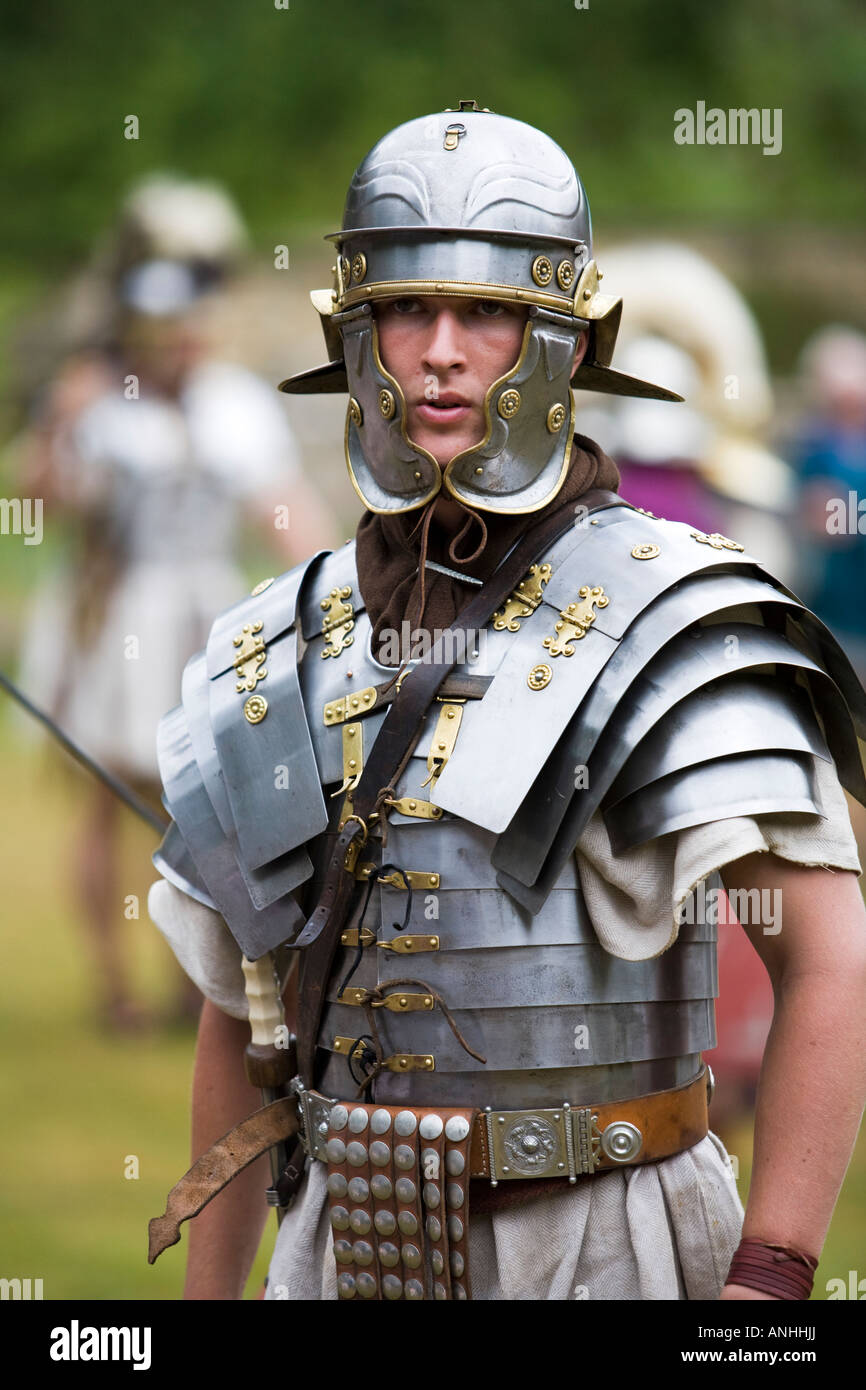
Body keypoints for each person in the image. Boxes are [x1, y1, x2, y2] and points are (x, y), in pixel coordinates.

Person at [146, 105, 866, 1301]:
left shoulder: (672, 618)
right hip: (337, 1246)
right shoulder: (269, 644)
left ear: (565, 342)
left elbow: (830, 961)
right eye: (405, 309)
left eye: (485, 312)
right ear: (354, 336)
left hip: (602, 1244)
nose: (439, 351)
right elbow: (240, 1019)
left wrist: (770, 1281)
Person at [18, 174, 339, 1030]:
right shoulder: (99, 402)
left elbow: (280, 509)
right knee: (103, 797)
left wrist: (335, 580)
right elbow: (41, 505)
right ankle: (114, 985)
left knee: (202, 806)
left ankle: (190, 985)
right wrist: (56, 425)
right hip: (117, 615)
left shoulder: (231, 405)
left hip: (202, 613)